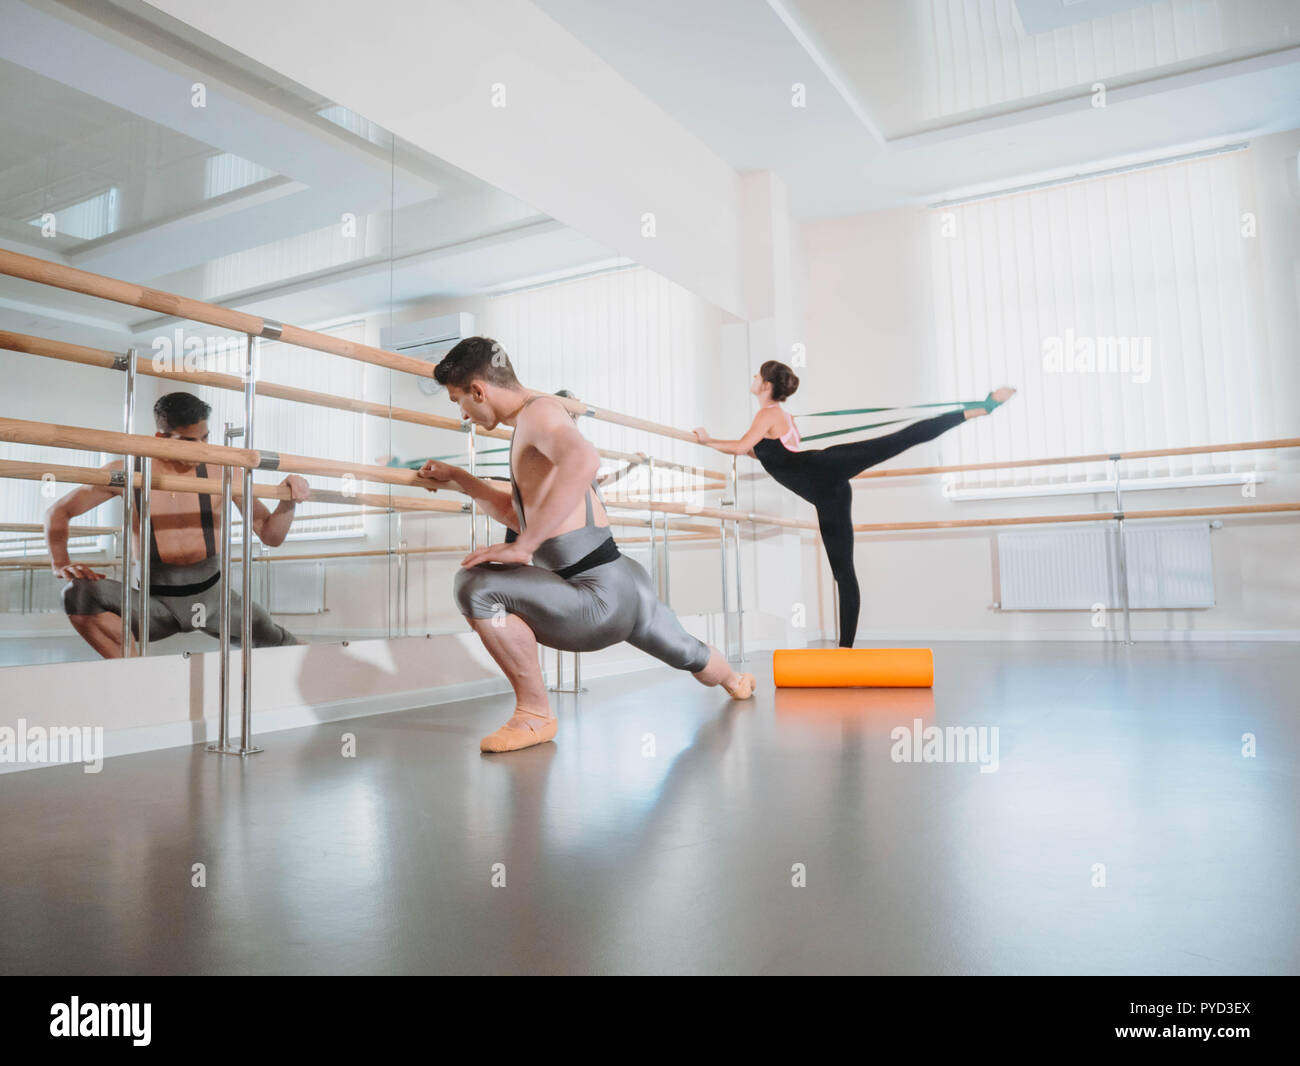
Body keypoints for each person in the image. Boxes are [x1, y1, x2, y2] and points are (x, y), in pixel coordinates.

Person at [416, 337, 755, 753]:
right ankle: (735, 681)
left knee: (475, 585)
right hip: (625, 579)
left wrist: (525, 547)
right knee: (689, 652)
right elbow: (517, 513)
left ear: (479, 390)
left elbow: (584, 462)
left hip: (595, 597)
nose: (463, 414)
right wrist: (460, 479)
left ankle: (534, 715)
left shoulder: (539, 413)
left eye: (458, 401)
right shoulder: (533, 421)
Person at [693, 361, 1015, 648]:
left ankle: (979, 409)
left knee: (898, 439)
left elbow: (740, 447)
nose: (752, 377)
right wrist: (715, 442)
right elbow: (754, 452)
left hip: (827, 468)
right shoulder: (781, 419)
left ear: (765, 385)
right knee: (843, 573)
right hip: (830, 493)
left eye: (756, 374)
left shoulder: (767, 414)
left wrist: (706, 440)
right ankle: (845, 652)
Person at [47, 391, 309, 658]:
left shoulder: (224, 471)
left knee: (284, 645)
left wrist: (289, 500)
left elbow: (270, 534)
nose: (201, 448)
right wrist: (61, 563)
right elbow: (59, 510)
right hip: (154, 604)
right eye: (188, 441)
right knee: (76, 594)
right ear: (161, 438)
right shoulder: (128, 472)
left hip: (215, 600)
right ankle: (132, 676)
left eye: (205, 438)